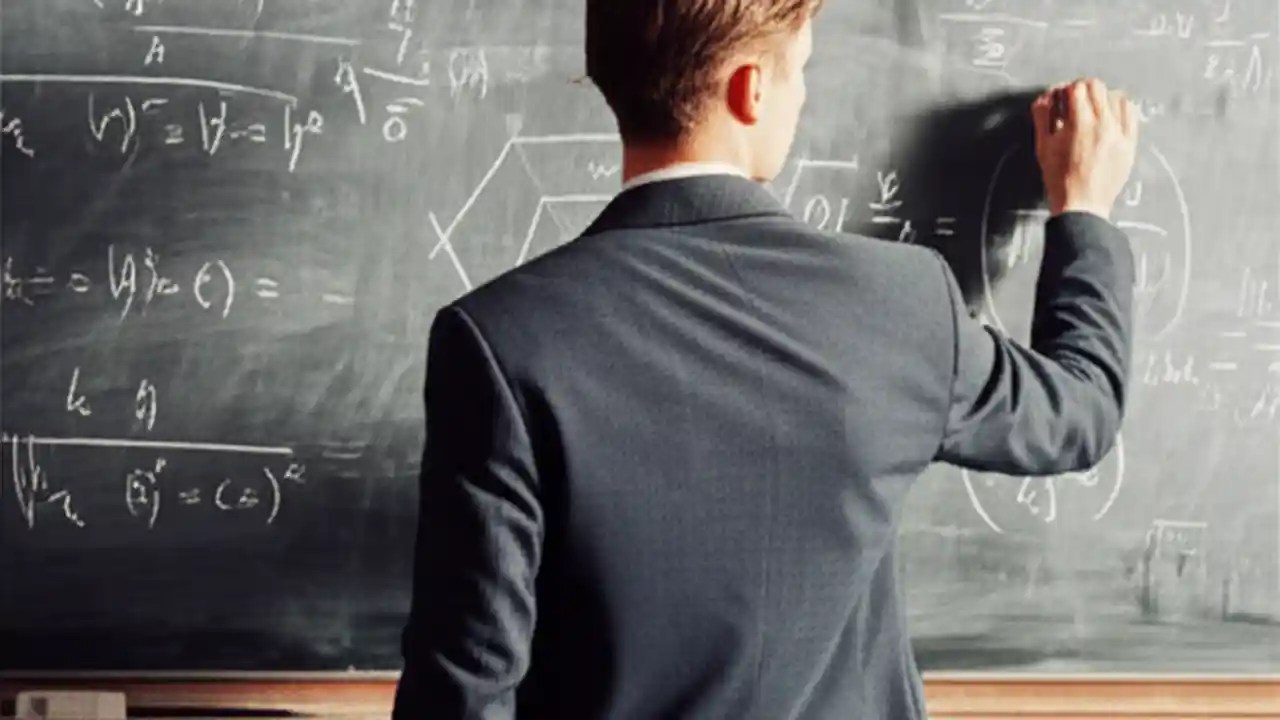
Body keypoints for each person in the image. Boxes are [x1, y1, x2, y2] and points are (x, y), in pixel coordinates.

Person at [393, 0, 1139, 717]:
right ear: (750, 90)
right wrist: (1085, 210)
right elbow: (1080, 412)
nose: (801, 94)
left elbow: (463, 691)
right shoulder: (900, 303)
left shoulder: (498, 338)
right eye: (800, 70)